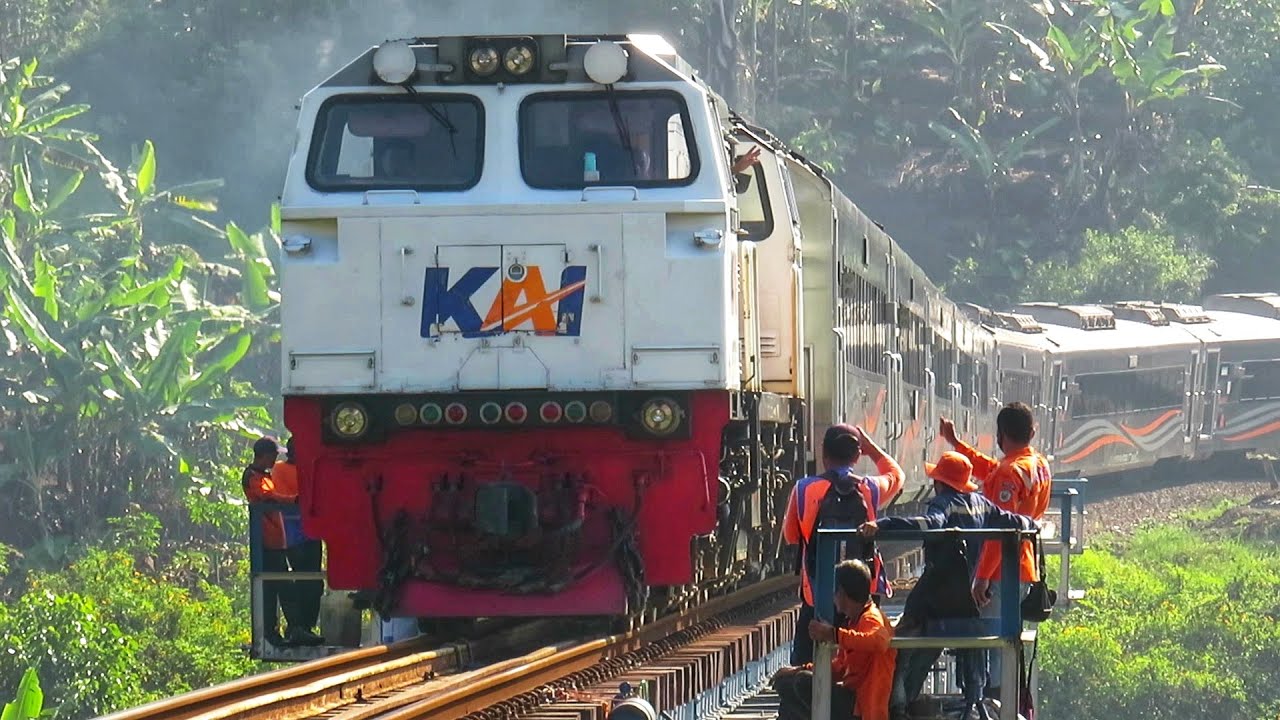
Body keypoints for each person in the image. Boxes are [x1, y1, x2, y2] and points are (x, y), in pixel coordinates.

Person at [858, 452, 1037, 720]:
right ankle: (973, 696)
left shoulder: (944, 503)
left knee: (899, 644)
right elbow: (1015, 521)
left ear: (941, 483)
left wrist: (882, 524)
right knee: (937, 642)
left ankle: (895, 705)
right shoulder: (981, 504)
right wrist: (1031, 525)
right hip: (966, 601)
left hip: (935, 597)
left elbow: (930, 524)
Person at [939, 403, 1052, 700]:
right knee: (1007, 639)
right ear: (1032, 432)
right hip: (1025, 567)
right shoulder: (1037, 464)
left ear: (1001, 434)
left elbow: (998, 532)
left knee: (995, 643)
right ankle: (1004, 699)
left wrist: (982, 577)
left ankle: (996, 702)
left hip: (1002, 571)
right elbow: (991, 470)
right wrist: (957, 444)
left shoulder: (1010, 471)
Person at [782, 424, 903, 665]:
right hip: (861, 600)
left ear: (823, 454)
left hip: (817, 598)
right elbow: (897, 475)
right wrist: (872, 449)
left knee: (806, 666)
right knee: (860, 665)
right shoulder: (870, 488)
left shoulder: (803, 489)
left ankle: (815, 698)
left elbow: (791, 536)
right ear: (857, 456)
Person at [771, 559, 896, 720]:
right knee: (787, 683)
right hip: (853, 701)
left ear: (842, 593)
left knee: (803, 683)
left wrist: (833, 634)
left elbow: (879, 641)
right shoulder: (854, 622)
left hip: (863, 707)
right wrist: (797, 669)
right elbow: (839, 668)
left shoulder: (871, 618)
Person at [242, 436, 324, 647]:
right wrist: (293, 500)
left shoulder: (265, 475)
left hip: (278, 538)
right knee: (277, 587)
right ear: (265, 454)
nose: (275, 459)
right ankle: (282, 631)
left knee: (281, 585)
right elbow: (268, 497)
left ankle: (292, 630)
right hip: (267, 540)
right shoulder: (252, 476)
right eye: (273, 455)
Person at [271, 438, 326, 646]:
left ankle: (304, 627)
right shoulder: (285, 470)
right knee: (305, 581)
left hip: (307, 533)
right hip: (295, 534)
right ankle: (299, 627)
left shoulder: (304, 470)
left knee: (311, 581)